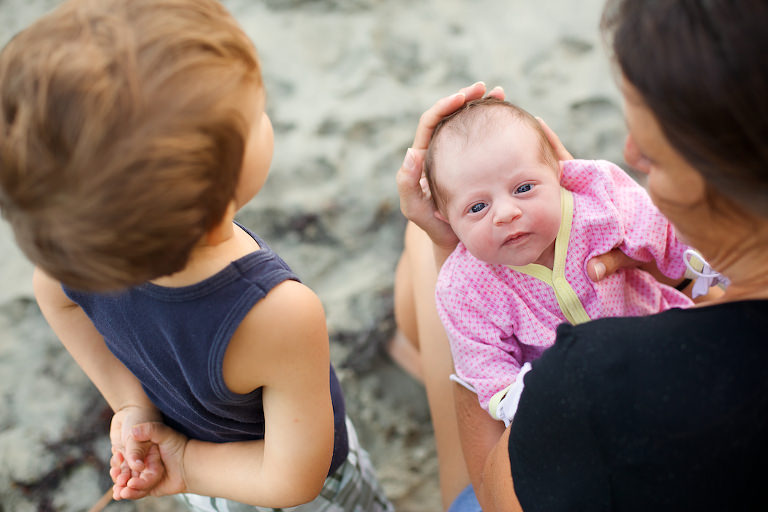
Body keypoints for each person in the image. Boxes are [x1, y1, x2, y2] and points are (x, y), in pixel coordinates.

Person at [0, 0, 393, 510]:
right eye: (256, 116)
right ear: (211, 206)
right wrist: (183, 463)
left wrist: (131, 405)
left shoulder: (74, 257)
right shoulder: (276, 312)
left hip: (207, 492)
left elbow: (56, 301)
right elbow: (295, 478)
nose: (266, 115)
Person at [395, 0, 768, 509]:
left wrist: (444, 241)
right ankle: (410, 349)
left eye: (654, 149)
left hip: (558, 426)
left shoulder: (582, 385)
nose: (630, 155)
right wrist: (687, 280)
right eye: (479, 206)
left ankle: (410, 352)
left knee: (418, 251)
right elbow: (706, 276)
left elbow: (494, 489)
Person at [423, 97, 693, 424]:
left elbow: (663, 232)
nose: (507, 214)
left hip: (662, 339)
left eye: (523, 187)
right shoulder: (466, 286)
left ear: (557, 172)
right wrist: (524, 398)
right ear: (445, 219)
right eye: (477, 208)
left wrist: (701, 264)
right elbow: (484, 364)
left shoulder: (597, 200)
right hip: (577, 402)